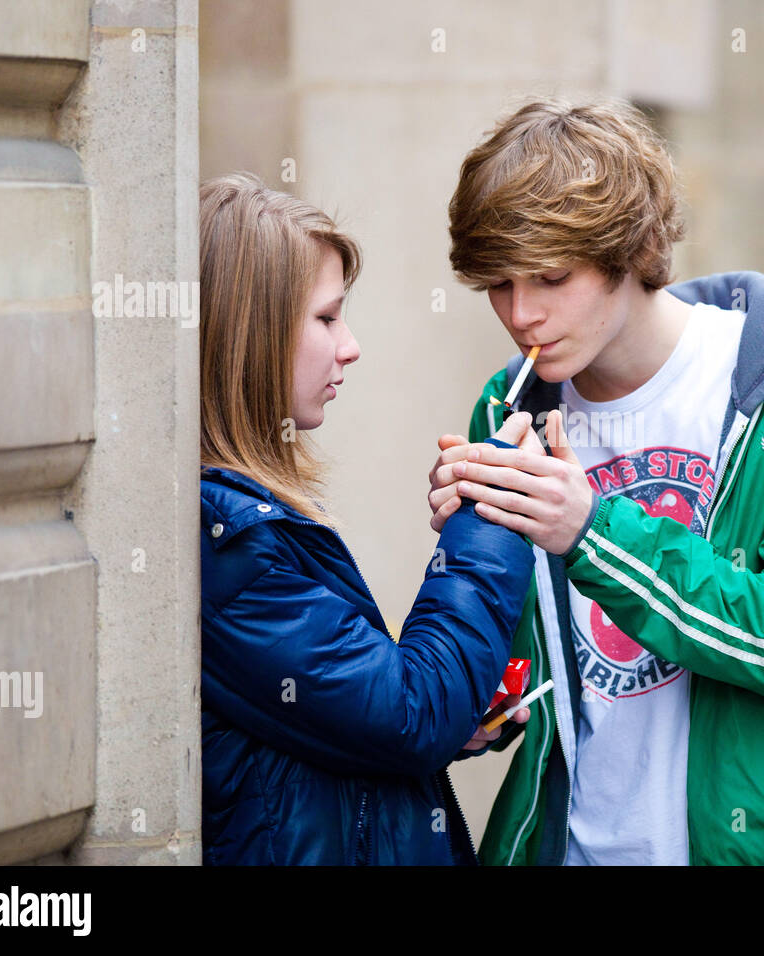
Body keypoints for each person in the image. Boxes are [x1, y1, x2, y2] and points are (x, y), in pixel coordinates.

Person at [431, 99, 764, 865]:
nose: (521, 314)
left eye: (551, 277)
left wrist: (591, 532)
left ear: (629, 250)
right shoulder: (510, 403)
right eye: (498, 284)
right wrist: (470, 571)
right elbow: (526, 685)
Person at [197, 172, 541, 865]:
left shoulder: (239, 523)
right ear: (252, 335)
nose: (349, 345)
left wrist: (463, 709)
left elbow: (370, 718)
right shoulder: (226, 542)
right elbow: (410, 712)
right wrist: (493, 512)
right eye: (326, 318)